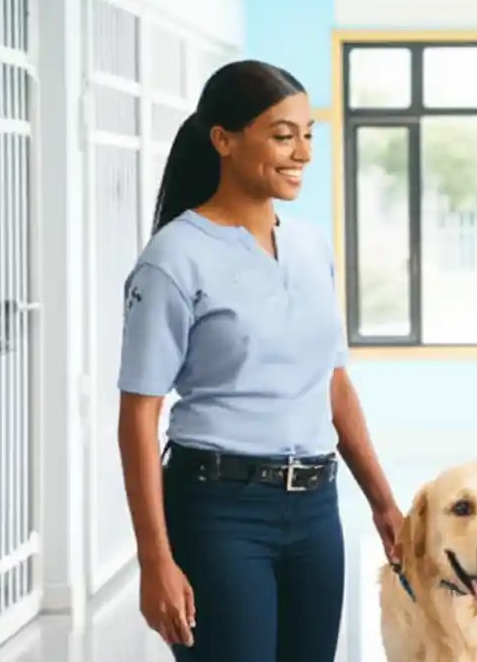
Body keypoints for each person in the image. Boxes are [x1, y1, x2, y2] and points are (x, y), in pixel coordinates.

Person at [115, 60, 404, 662]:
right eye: (282, 135)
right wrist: (154, 560)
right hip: (219, 512)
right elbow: (139, 415)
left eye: (308, 134)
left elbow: (335, 383)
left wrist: (384, 504)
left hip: (316, 509)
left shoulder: (310, 246)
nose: (302, 152)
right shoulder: (174, 258)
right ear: (223, 139)